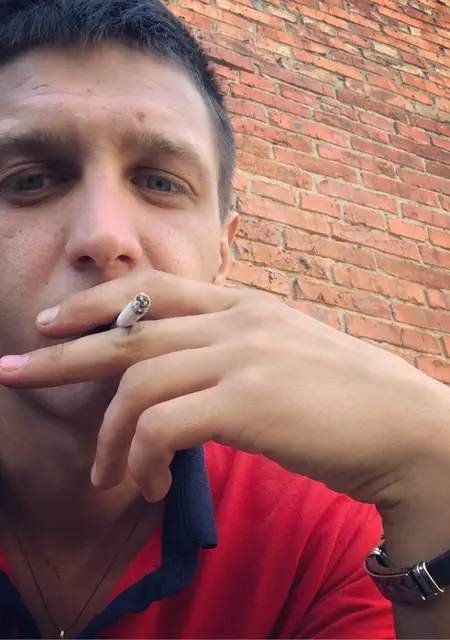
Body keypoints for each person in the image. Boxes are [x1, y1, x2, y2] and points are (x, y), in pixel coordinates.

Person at [0, 0, 448, 638]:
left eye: (160, 183)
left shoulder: (329, 526)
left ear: (223, 251)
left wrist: (436, 461)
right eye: (29, 180)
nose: (104, 236)